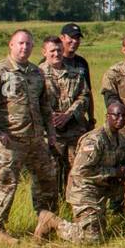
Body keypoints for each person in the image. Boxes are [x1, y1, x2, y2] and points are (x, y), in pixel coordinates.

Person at [0, 29, 59, 242]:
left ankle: (46, 222)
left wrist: (50, 134)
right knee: (4, 182)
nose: (24, 48)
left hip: (35, 139)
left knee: (47, 179)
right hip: (10, 141)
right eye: (20, 43)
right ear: (11, 45)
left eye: (28, 44)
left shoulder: (36, 73)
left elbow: (45, 106)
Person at [33, 100, 125, 244]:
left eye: (124, 116)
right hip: (84, 190)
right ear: (107, 116)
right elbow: (82, 171)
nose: (120, 119)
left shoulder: (121, 139)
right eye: (116, 115)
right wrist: (114, 172)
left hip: (102, 188)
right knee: (92, 238)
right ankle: (51, 221)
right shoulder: (95, 140)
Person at [40, 35, 91, 197]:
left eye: (59, 50)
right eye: (52, 51)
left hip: (74, 132)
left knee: (75, 171)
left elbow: (85, 97)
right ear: (44, 52)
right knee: (51, 173)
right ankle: (52, 210)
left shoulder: (76, 74)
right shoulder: (36, 74)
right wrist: (51, 116)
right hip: (49, 133)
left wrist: (68, 114)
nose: (56, 54)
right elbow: (32, 101)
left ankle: (72, 206)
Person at [55, 23, 95, 130]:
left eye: (77, 38)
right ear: (62, 38)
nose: (75, 41)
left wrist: (91, 119)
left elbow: (88, 93)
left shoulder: (82, 63)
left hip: (77, 125)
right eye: (71, 38)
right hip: (55, 125)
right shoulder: (50, 62)